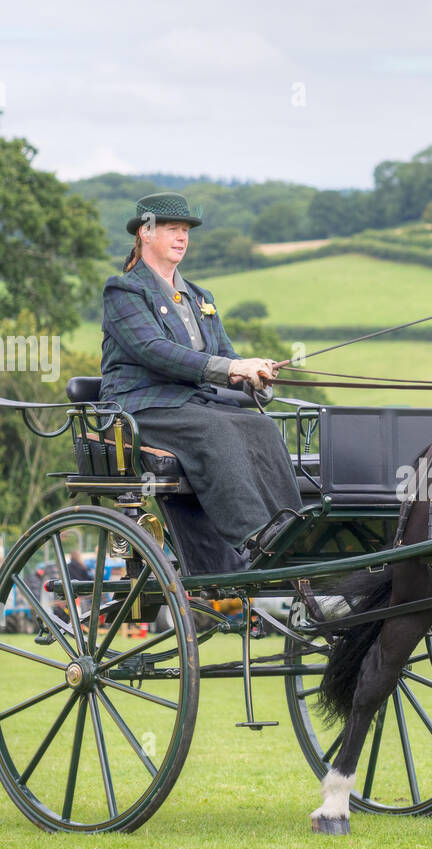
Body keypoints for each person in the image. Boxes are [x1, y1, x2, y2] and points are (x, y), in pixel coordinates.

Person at [100, 193, 302, 568]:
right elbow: (153, 349)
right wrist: (230, 369)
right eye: (172, 229)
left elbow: (226, 355)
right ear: (145, 233)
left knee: (262, 428)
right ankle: (256, 534)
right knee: (215, 430)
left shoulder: (200, 297)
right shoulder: (124, 290)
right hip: (143, 406)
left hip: (193, 404)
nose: (182, 237)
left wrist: (252, 376)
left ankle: (290, 528)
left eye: (186, 230)